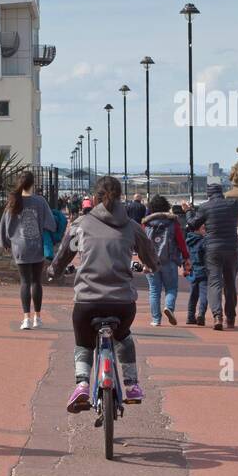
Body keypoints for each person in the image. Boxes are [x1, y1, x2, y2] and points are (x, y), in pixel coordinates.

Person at [48, 176, 159, 412]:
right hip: (122, 303)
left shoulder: (81, 224)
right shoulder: (132, 227)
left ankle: (82, 384)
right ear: (120, 198)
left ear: (96, 197)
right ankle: (131, 384)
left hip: (87, 302)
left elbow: (65, 254)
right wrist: (152, 265)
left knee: (84, 343)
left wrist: (53, 270)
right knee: (124, 336)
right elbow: (150, 256)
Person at [185, 180, 238, 330]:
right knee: (230, 284)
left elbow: (192, 224)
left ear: (209, 195)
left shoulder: (205, 207)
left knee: (214, 283)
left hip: (213, 250)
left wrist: (188, 211)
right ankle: (231, 317)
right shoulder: (233, 204)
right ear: (221, 192)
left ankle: (217, 316)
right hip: (231, 249)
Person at [0, 170, 58, 330]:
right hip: (36, 246)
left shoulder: (13, 201)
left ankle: (26, 319)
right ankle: (38, 317)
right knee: (36, 281)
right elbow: (50, 223)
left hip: (20, 247)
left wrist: (4, 241)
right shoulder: (40, 201)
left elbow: (4, 225)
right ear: (33, 183)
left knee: (24, 282)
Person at [140, 195, 192, 326]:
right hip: (169, 260)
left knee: (154, 290)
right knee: (171, 288)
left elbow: (141, 243)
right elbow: (181, 242)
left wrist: (144, 260)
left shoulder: (146, 224)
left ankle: (156, 320)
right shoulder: (173, 223)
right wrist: (186, 257)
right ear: (166, 207)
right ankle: (169, 307)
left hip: (151, 262)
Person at [184, 226, 208, 325]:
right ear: (197, 230)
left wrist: (186, 268)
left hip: (192, 272)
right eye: (203, 228)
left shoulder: (188, 241)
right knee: (204, 295)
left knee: (193, 295)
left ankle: (190, 316)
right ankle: (201, 315)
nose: (205, 231)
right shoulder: (203, 241)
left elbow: (185, 256)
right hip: (203, 271)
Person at [43, 196, 69, 262]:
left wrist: (48, 256)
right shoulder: (58, 216)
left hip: (50, 248)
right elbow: (64, 221)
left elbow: (47, 243)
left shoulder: (46, 225)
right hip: (58, 238)